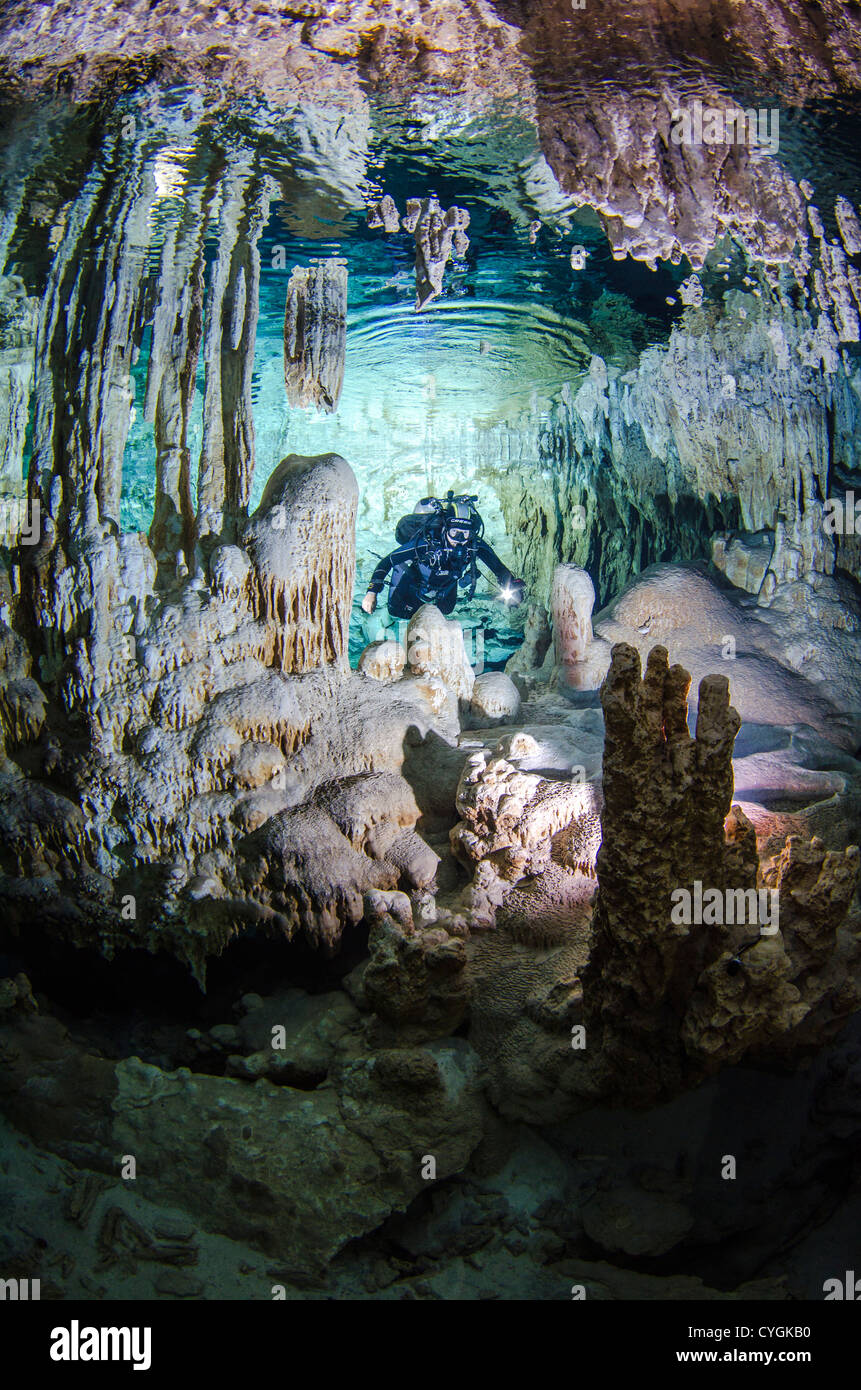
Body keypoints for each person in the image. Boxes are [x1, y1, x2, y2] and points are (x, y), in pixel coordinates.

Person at [361, 493, 525, 620]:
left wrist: (512, 586)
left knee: (446, 611)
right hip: (415, 582)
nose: (460, 540)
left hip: (446, 588)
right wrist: (372, 592)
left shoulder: (474, 545)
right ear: (446, 530)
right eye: (454, 533)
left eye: (465, 534)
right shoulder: (427, 543)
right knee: (397, 611)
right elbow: (387, 561)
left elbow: (498, 568)